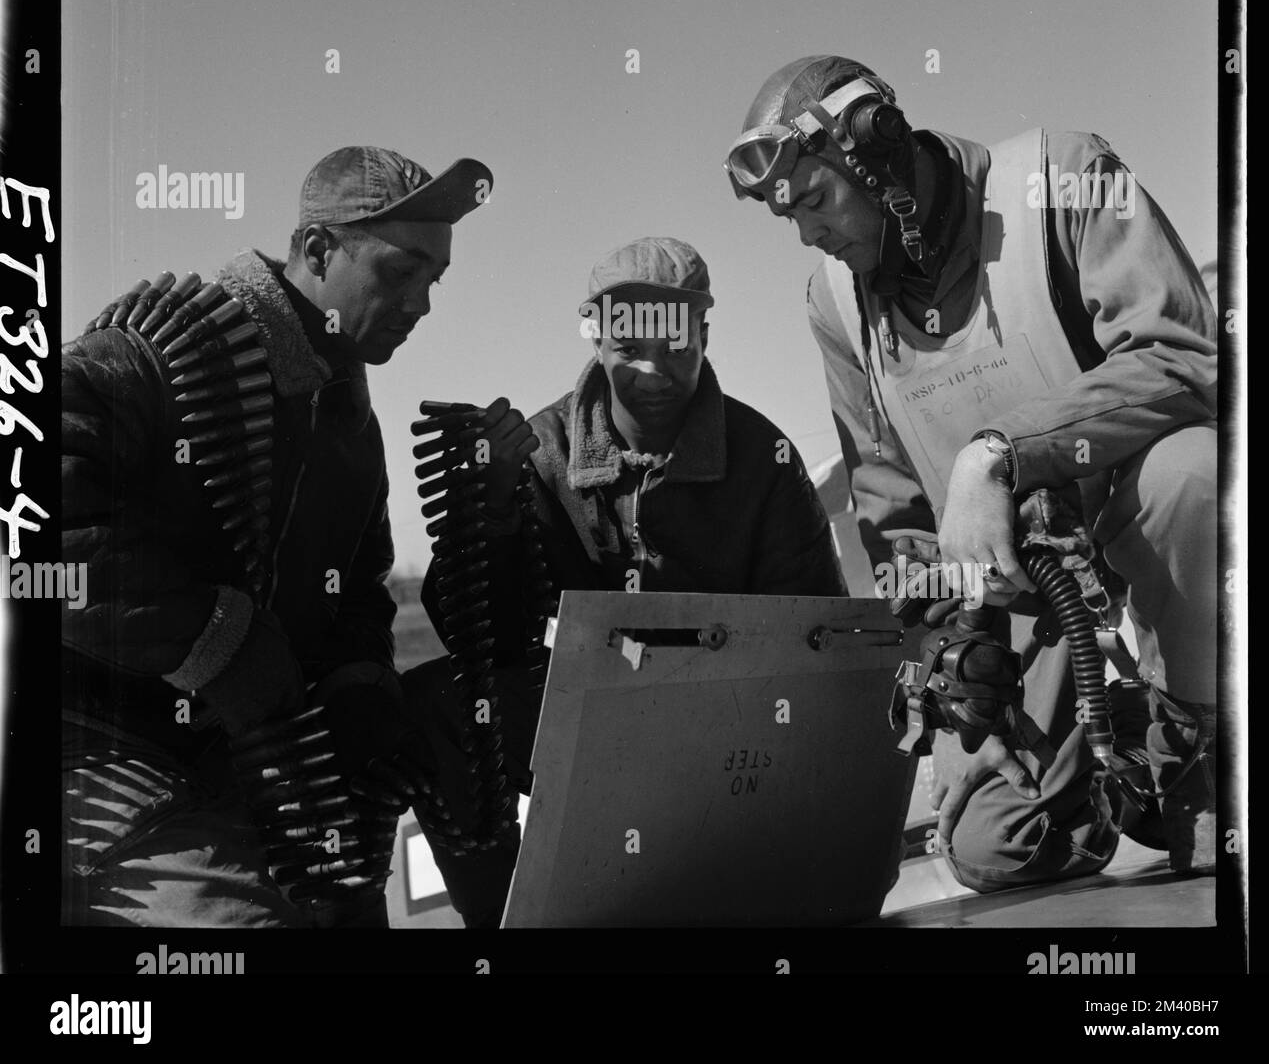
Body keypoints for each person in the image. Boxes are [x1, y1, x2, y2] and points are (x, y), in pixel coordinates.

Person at [725, 54, 1218, 891]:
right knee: (997, 849)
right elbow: (893, 511)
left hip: (1145, 534)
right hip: (1025, 595)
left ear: (874, 151)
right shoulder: (833, 302)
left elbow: (1182, 357)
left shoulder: (1063, 176)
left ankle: (1200, 751)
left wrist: (998, 454)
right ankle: (1119, 740)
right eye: (789, 220)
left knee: (1192, 475)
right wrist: (950, 650)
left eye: (813, 201)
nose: (808, 234)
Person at [61, 146, 494, 927]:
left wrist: (359, 685)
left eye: (434, 280)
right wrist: (213, 642)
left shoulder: (347, 418)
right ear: (319, 250)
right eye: (401, 271)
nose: (422, 303)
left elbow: (360, 588)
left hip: (255, 764)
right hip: (120, 766)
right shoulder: (157, 356)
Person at [410, 235, 845, 926]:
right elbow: (476, 634)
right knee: (440, 702)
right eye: (627, 349)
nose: (651, 370)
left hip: (730, 722)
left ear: (703, 334)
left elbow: (821, 637)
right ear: (596, 339)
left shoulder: (763, 458)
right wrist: (486, 512)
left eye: (675, 345)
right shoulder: (540, 452)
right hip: (587, 720)